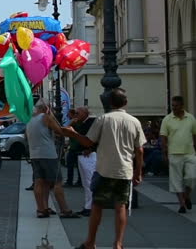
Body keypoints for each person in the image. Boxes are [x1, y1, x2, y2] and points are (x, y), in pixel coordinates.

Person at [67, 88, 146, 249]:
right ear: (126, 102)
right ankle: (118, 244)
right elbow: (139, 150)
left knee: (97, 205)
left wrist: (72, 133)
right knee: (121, 206)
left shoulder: (103, 119)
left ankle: (90, 242)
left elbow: (88, 142)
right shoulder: (134, 121)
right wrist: (138, 173)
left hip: (104, 170)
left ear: (109, 103)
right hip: (124, 171)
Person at [25, 98, 80, 219]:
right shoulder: (45, 117)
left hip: (35, 154)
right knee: (57, 182)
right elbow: (60, 131)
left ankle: (42, 209)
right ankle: (64, 209)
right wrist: (70, 126)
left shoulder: (29, 119)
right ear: (45, 108)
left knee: (40, 182)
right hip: (48, 154)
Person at [160, 95, 196, 214]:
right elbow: (163, 137)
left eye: (176, 106)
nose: (173, 108)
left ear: (182, 106)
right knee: (176, 180)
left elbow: (194, 135)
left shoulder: (190, 118)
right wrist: (164, 153)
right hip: (174, 153)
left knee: (192, 177)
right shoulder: (167, 119)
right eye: (172, 105)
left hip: (190, 152)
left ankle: (186, 196)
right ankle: (182, 205)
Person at [71, 106, 98, 217]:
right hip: (81, 155)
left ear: (85, 113)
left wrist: (91, 148)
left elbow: (96, 138)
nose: (76, 115)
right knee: (85, 183)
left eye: (78, 113)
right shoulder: (81, 123)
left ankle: (91, 207)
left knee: (89, 182)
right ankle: (88, 206)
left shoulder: (91, 123)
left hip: (89, 156)